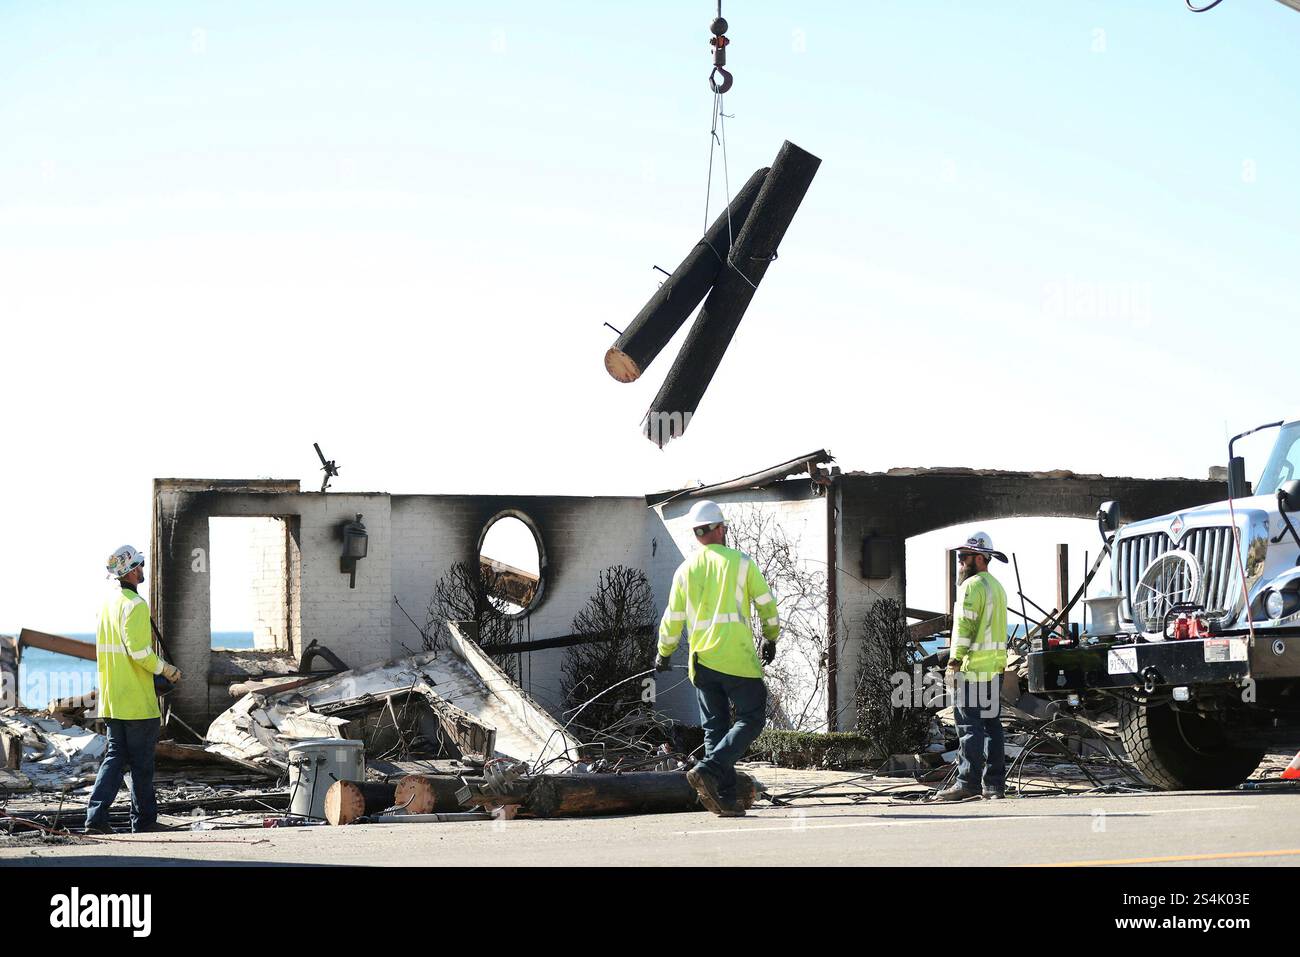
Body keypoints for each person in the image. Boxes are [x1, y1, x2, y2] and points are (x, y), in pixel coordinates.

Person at [657, 500, 780, 817]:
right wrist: (770, 636)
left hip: (703, 663)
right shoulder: (741, 563)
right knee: (752, 718)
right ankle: (709, 769)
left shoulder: (685, 570)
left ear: (697, 534)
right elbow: (766, 603)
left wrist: (664, 653)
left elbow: (673, 618)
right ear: (721, 529)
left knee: (715, 729)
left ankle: (723, 799)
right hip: (737, 660)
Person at [82, 545, 182, 834]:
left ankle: (95, 819)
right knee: (141, 765)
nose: (142, 569)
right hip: (137, 701)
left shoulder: (107, 604)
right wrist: (167, 669)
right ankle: (144, 821)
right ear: (132, 570)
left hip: (112, 699)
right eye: (139, 565)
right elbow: (139, 653)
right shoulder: (135, 605)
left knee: (114, 759)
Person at [936, 531, 1010, 802]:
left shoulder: (972, 586)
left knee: (969, 727)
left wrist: (954, 662)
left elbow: (964, 628)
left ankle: (967, 784)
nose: (960, 562)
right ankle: (994, 786)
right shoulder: (997, 588)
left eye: (963, 557)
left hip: (973, 669)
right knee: (992, 727)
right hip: (994, 669)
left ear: (980, 557)